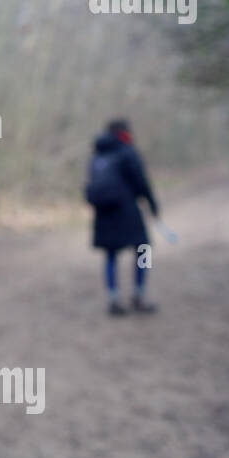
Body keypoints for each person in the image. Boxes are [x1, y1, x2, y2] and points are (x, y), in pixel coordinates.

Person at [84, 119, 159, 316]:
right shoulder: (127, 151)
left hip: (104, 213)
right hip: (127, 211)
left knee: (110, 255)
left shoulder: (97, 155)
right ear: (125, 132)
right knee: (143, 250)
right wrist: (152, 205)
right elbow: (141, 182)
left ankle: (113, 298)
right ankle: (139, 294)